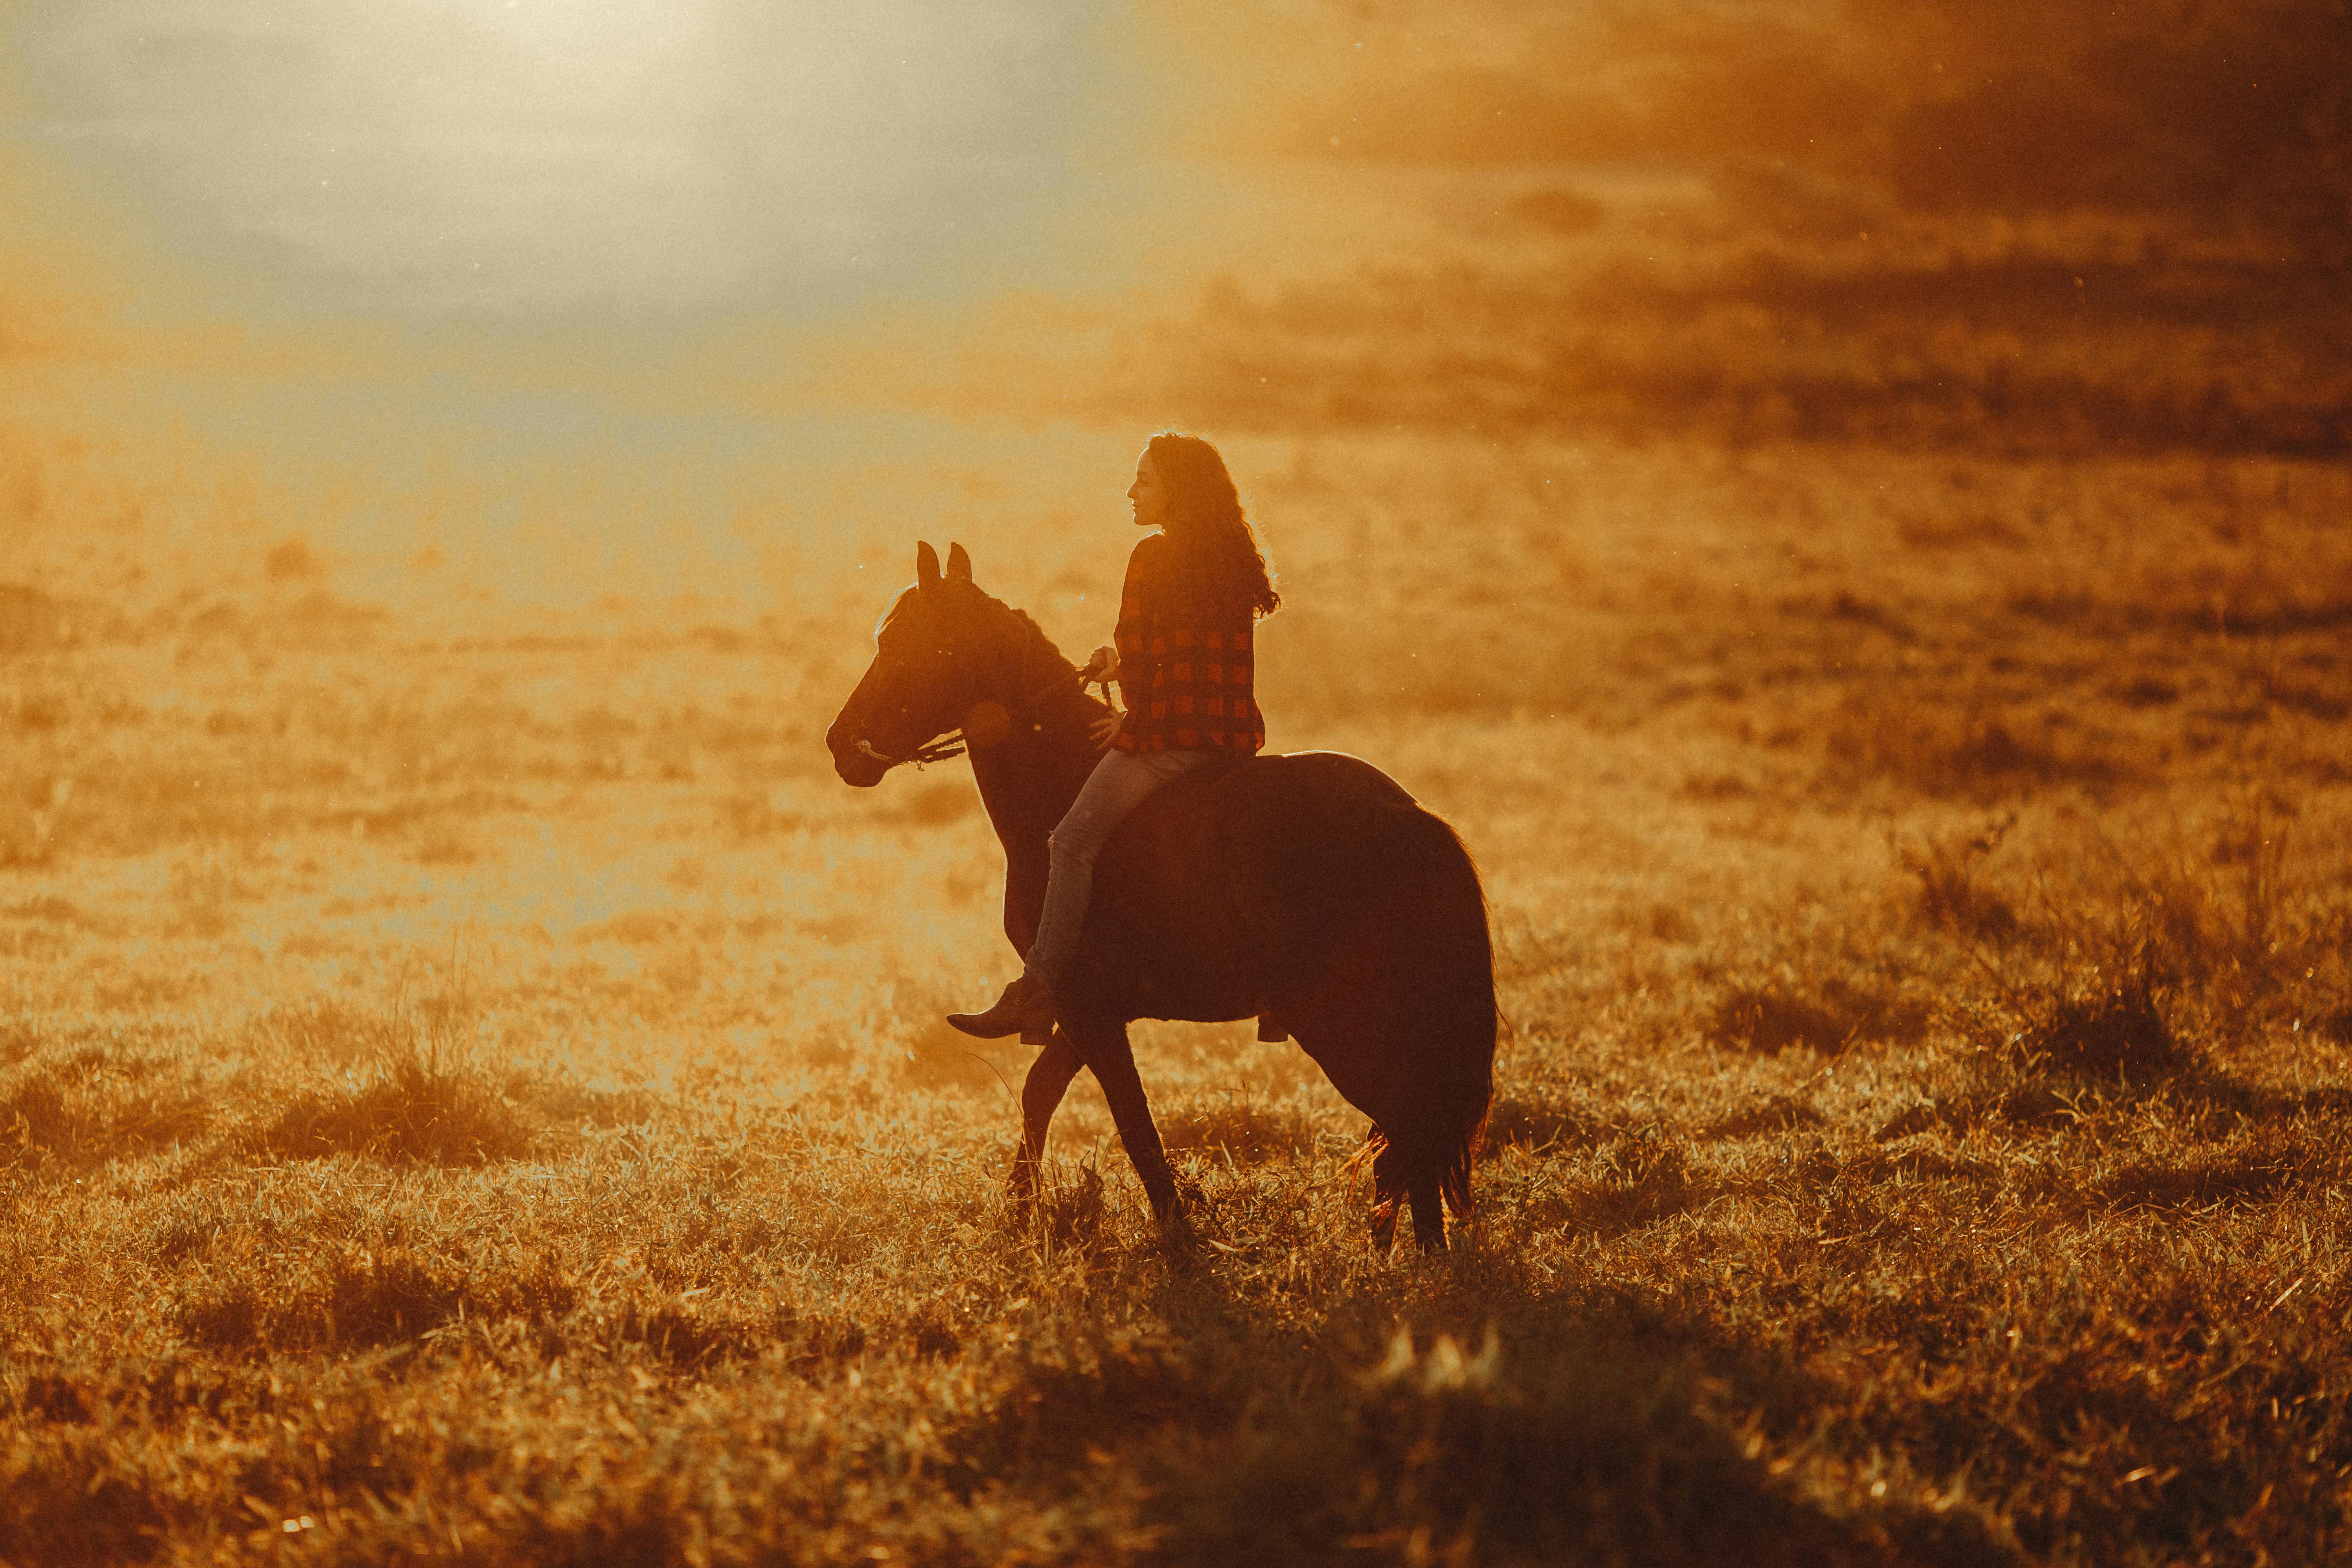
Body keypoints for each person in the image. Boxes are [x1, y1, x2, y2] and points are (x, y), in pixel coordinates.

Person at [948, 433, 1280, 1044]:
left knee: (1070, 840)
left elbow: (1179, 664)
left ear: (1176, 491)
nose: (1132, 492)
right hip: (1228, 736)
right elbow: (1190, 650)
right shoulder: (1225, 553)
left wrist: (1139, 719)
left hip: (1174, 737)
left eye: (1145, 480)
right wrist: (1121, 665)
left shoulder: (1155, 556)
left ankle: (1038, 988)